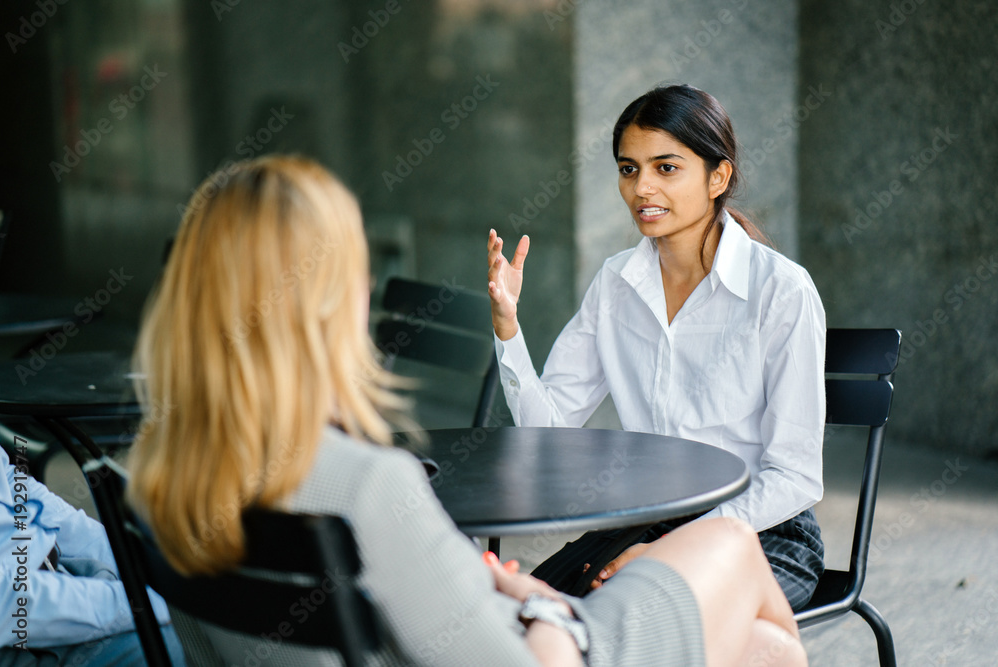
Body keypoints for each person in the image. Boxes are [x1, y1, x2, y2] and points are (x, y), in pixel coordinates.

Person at [125, 154, 807, 666]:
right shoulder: (366, 485)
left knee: (762, 645)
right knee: (738, 556)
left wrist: (470, 585)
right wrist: (542, 605)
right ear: (327, 302)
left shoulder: (157, 473)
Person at [487, 84, 826, 610]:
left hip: (760, 535)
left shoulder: (781, 291)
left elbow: (794, 478)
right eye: (629, 169)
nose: (643, 187)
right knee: (523, 611)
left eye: (666, 168)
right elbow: (548, 432)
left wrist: (667, 550)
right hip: (646, 521)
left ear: (718, 177)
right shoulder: (616, 283)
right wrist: (509, 327)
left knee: (635, 619)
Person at [0, 441, 185, 665]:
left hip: (48, 575)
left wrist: (123, 555)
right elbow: (7, 600)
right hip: (15, 619)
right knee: (157, 644)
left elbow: (7, 479)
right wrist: (145, 604)